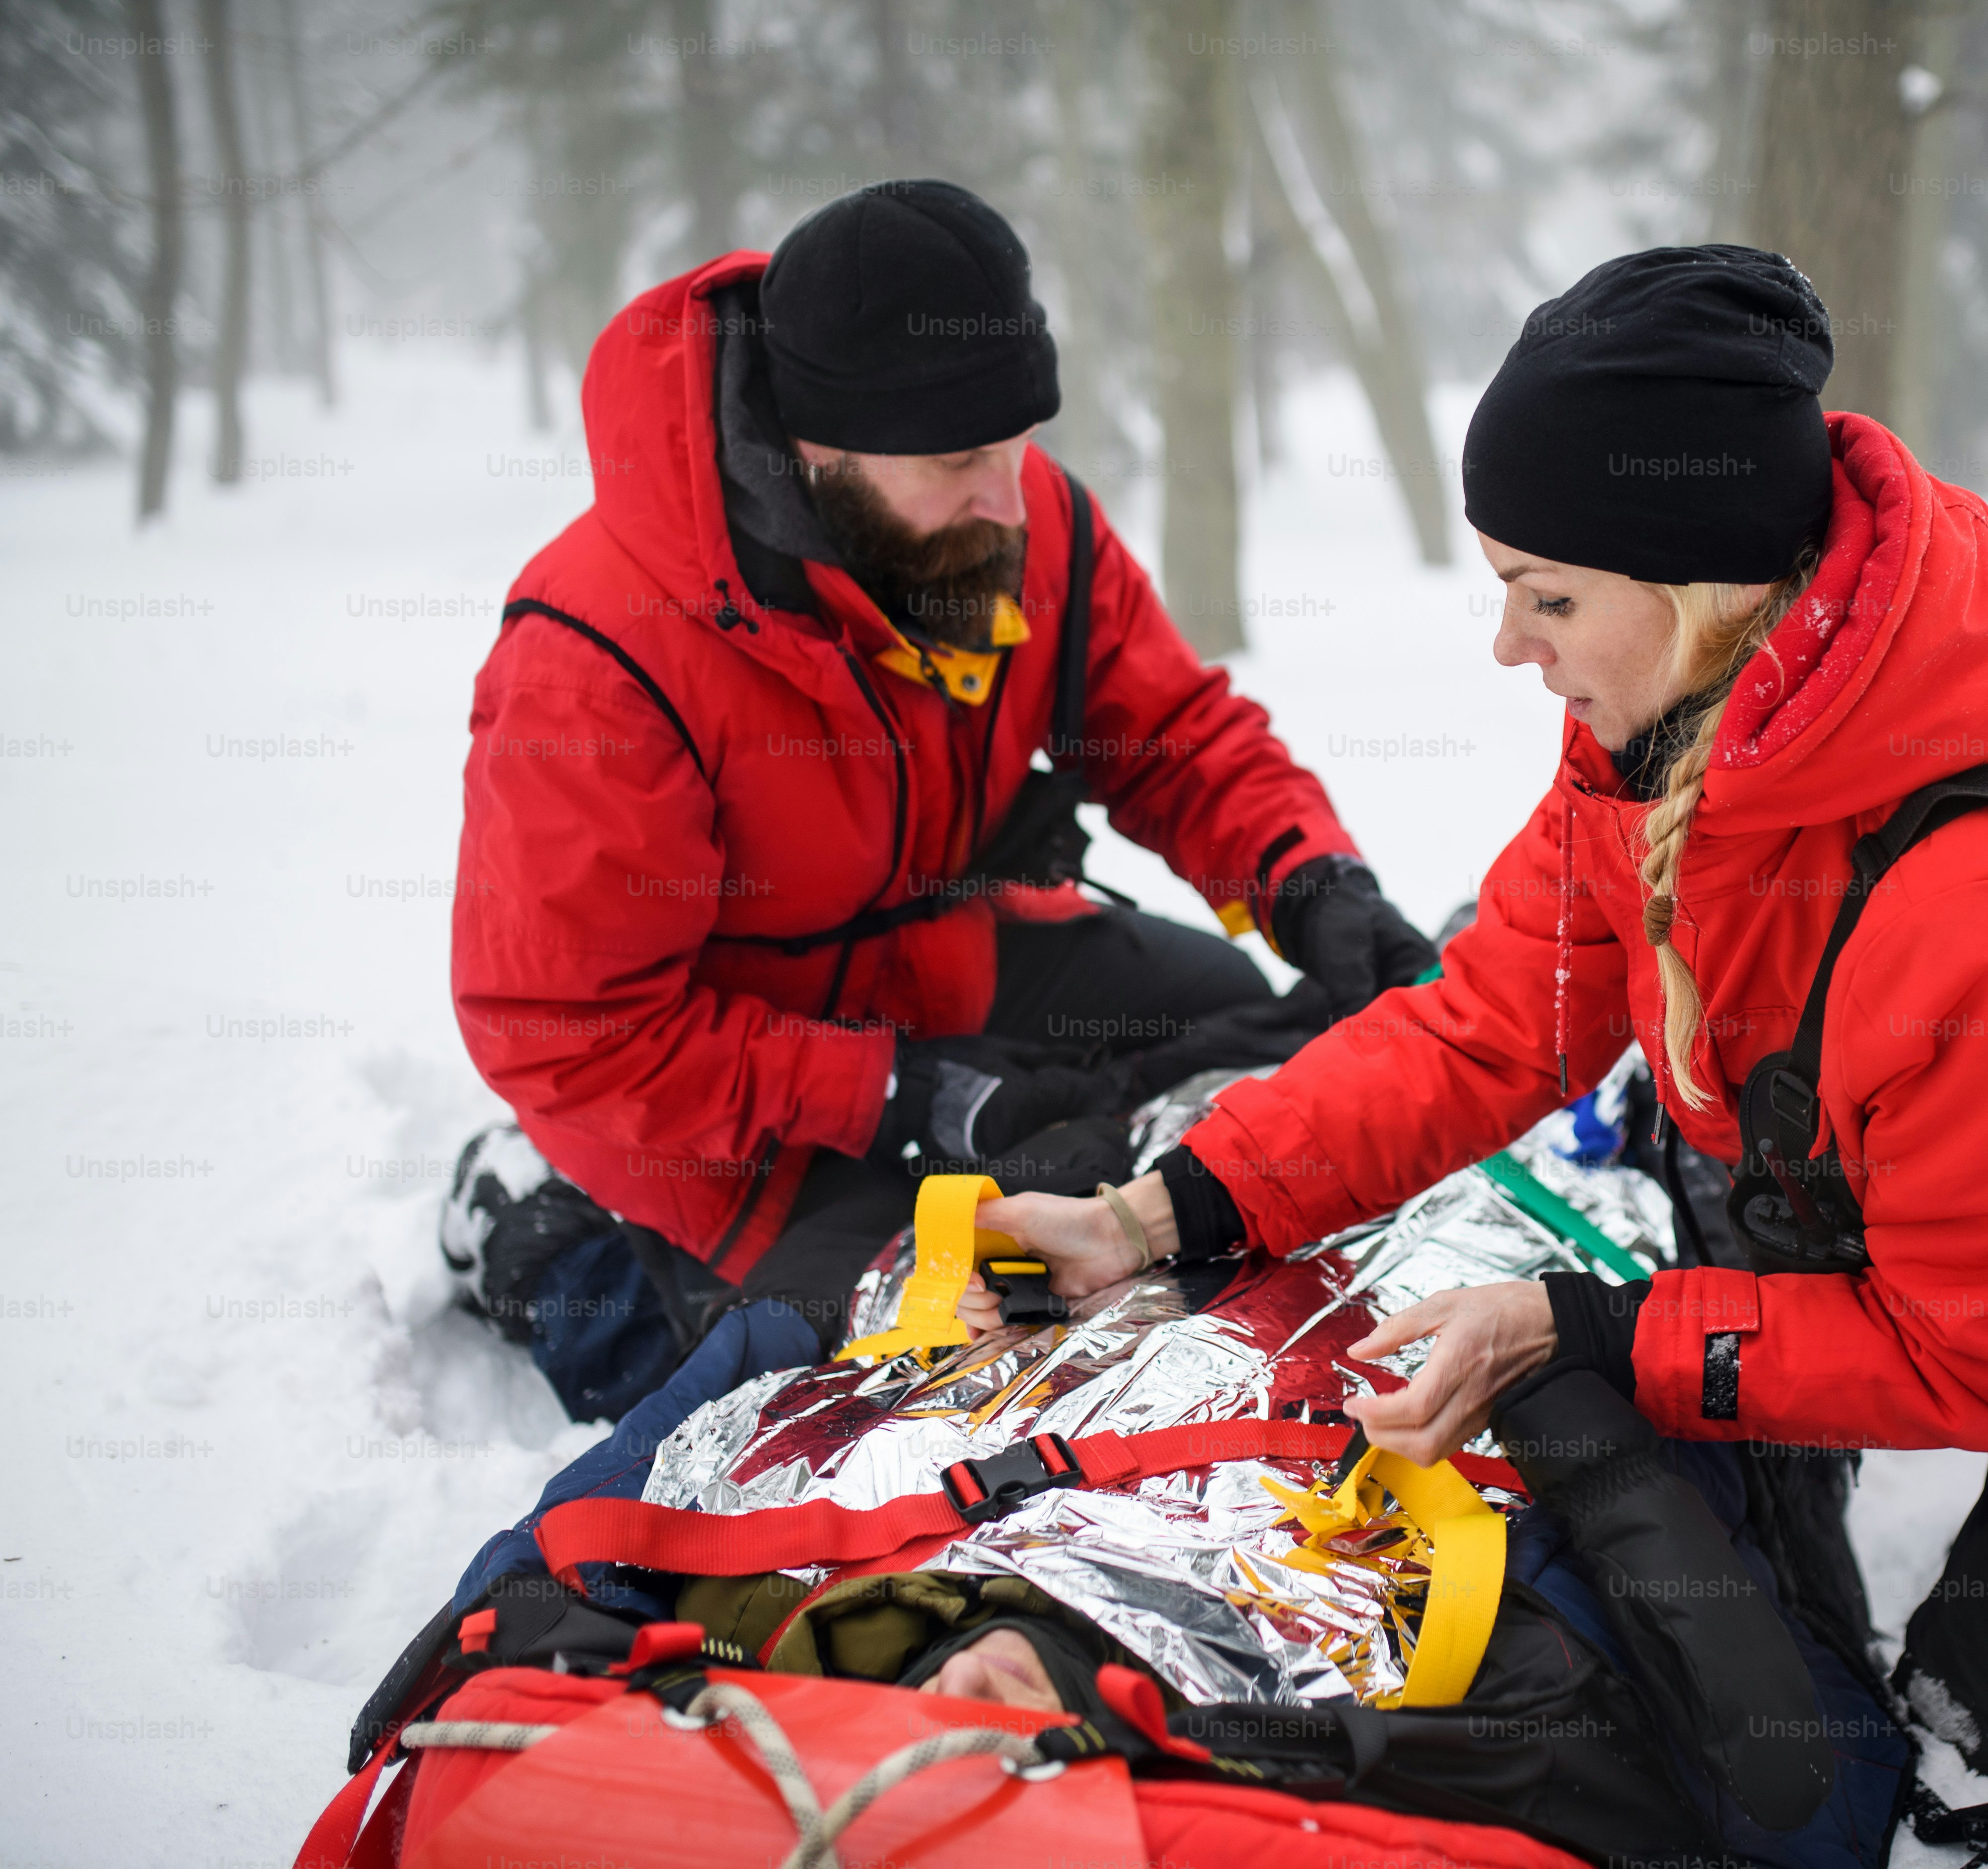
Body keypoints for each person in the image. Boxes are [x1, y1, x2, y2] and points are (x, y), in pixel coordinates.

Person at [971, 245, 1988, 1780]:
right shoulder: (1662, 745)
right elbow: (1483, 1026)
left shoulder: (1987, 908)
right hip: (1936, 1235)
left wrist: (1589, 1327)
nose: (1509, 647)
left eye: (1549, 597)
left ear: (1697, 591)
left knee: (1964, 1752)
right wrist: (1155, 1215)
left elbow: (1986, 1360)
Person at [446, 180, 1431, 1409]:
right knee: (914, 1349)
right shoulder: (603, 654)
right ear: (819, 450)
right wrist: (913, 1096)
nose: (1012, 500)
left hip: (942, 964)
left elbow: (1171, 735)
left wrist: (1307, 883)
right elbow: (570, 1026)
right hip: (724, 1100)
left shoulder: (1015, 522)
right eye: (961, 459)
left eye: (1017, 445)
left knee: (1231, 1018)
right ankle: (550, 1228)